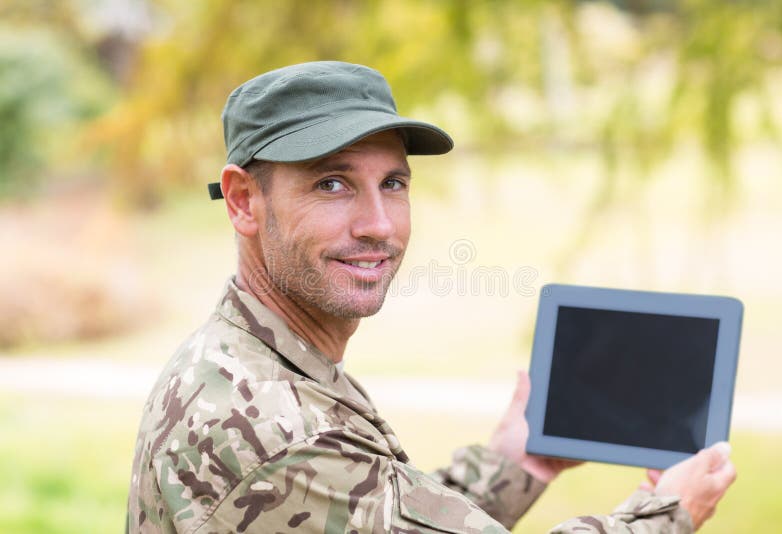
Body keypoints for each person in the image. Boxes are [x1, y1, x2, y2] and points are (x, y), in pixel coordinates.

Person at [126, 61, 736, 533]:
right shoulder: (274, 428)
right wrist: (667, 511)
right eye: (331, 183)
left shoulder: (252, 360)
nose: (378, 224)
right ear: (242, 201)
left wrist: (518, 464)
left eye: (393, 183)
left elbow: (380, 512)